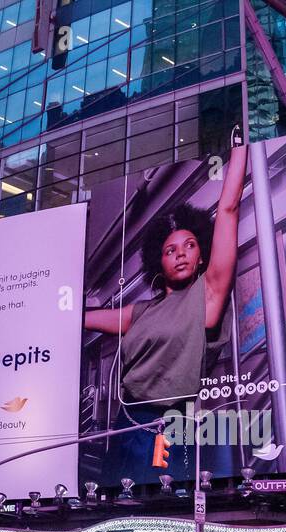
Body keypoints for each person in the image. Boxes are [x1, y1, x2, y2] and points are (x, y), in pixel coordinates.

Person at [85, 145, 248, 485]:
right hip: (126, 423)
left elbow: (228, 208)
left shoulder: (207, 294)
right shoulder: (140, 311)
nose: (181, 254)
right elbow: (80, 320)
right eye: (170, 250)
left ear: (202, 256)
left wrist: (242, 145)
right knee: (114, 504)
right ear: (158, 262)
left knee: (164, 505)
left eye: (190, 245)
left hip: (172, 425)